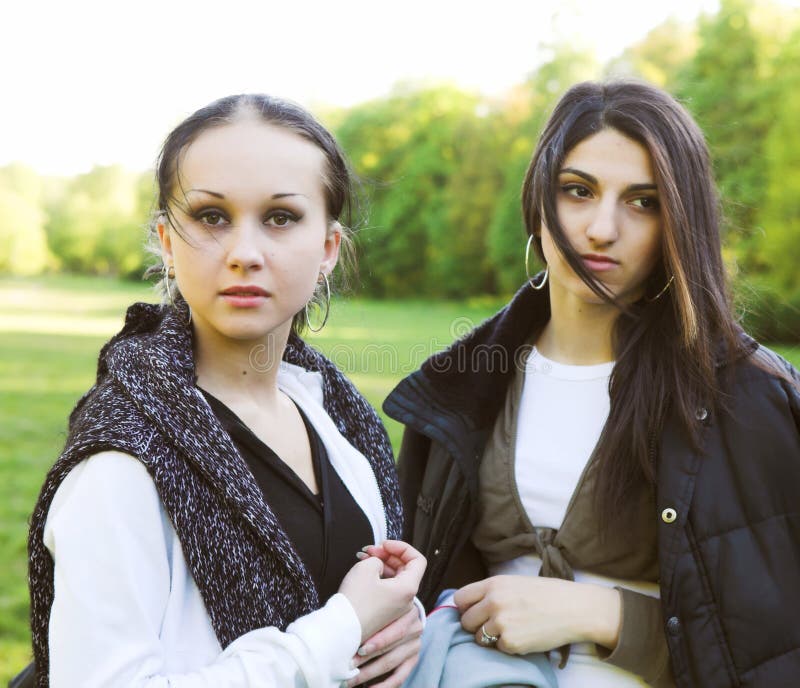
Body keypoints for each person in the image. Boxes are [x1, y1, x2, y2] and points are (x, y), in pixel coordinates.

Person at [384, 80, 800, 687]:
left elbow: (775, 638)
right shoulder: (458, 385)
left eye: (643, 202)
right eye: (577, 192)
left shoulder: (745, 395)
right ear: (538, 201)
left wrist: (605, 614)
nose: (602, 229)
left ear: (678, 224)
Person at [25, 94, 425, 688]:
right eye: (212, 217)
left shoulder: (339, 420)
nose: (244, 254)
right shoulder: (124, 460)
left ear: (328, 250)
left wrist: (400, 622)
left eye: (281, 218)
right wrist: (340, 632)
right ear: (166, 239)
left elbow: (355, 599)